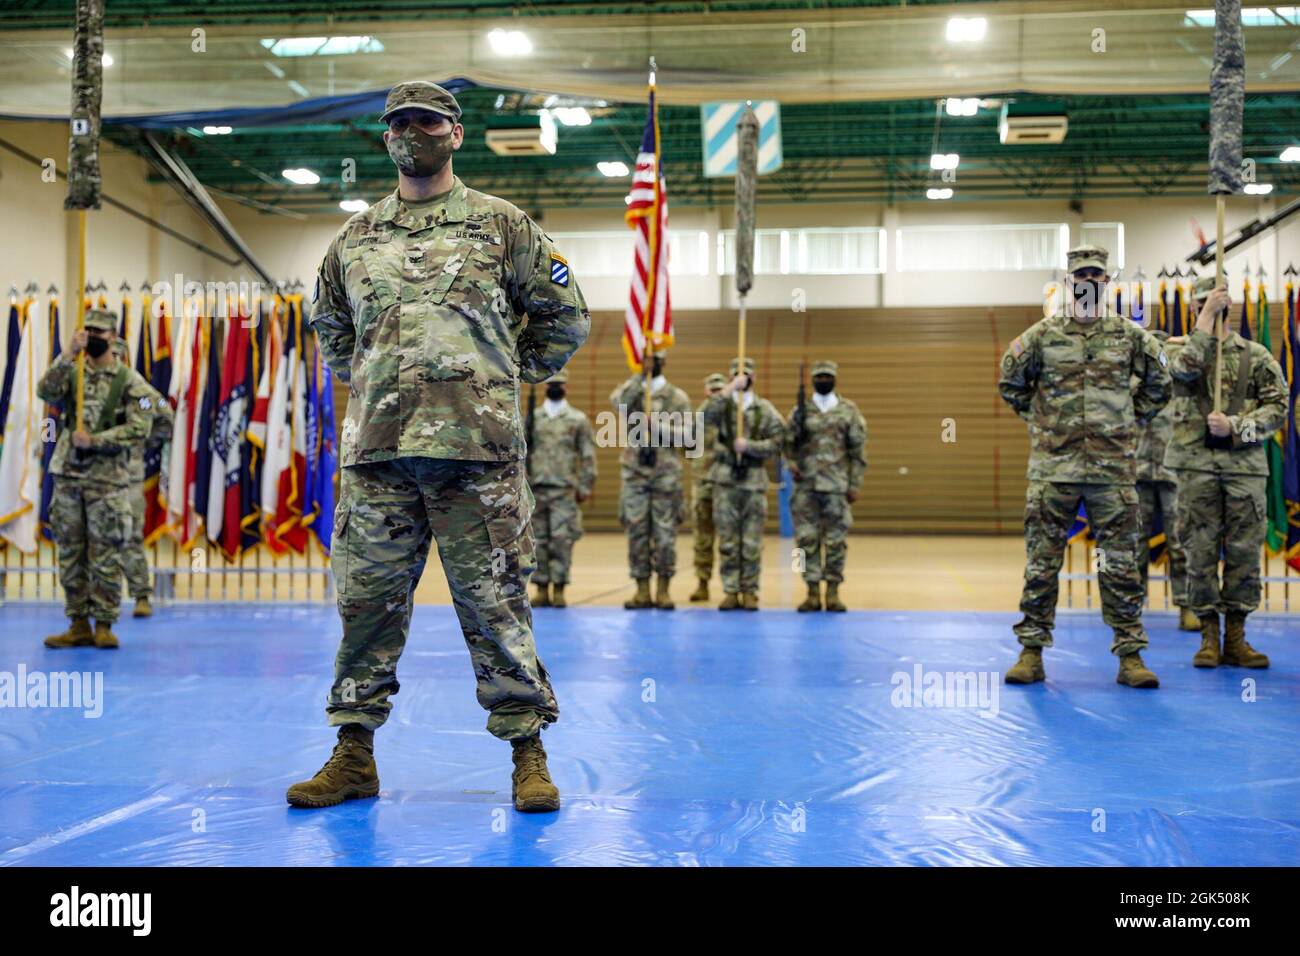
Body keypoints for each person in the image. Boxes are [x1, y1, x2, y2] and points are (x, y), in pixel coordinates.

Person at [290, 80, 590, 813]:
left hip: (477, 456)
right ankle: (354, 753)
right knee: (366, 607)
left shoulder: (503, 225)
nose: (409, 133)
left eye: (424, 121)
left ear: (454, 133)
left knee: (495, 605)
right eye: (397, 124)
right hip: (380, 457)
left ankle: (528, 752)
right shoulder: (354, 240)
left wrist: (498, 376)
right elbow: (331, 330)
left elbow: (566, 316)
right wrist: (377, 380)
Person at [998, 245, 1171, 688]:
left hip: (1112, 472)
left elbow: (1160, 383)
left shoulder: (1131, 338)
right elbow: (1010, 382)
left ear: (1107, 283)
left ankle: (1130, 656)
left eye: (1096, 276)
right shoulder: (1040, 336)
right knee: (1041, 562)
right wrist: (1042, 424)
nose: (1089, 282)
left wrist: (1129, 420)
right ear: (1068, 282)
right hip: (1053, 471)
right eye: (1081, 276)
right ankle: (1031, 652)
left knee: (1120, 564)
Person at [1166, 277, 1285, 669]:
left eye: (1216, 303)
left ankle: (1236, 635)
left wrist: (1236, 427)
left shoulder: (1256, 355)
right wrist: (1203, 323)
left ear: (1230, 306)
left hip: (1243, 470)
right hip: (1195, 466)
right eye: (1203, 303)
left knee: (1243, 554)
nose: (1212, 309)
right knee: (1198, 552)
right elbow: (1180, 372)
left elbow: (1277, 409)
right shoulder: (1179, 350)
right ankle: (1207, 635)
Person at [38, 308, 154, 649]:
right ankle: (77, 623)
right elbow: (45, 391)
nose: (92, 338)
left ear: (113, 337)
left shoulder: (130, 381)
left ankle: (104, 623)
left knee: (105, 553)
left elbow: (143, 424)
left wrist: (99, 441)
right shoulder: (72, 372)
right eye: (87, 332)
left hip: (107, 480)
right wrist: (67, 354)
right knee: (71, 553)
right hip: (70, 475)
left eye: (99, 333)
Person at [609, 353, 693, 609]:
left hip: (665, 477)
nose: (650, 363)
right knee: (637, 534)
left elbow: (689, 437)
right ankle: (642, 590)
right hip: (635, 475)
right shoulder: (633, 393)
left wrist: (657, 427)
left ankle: (663, 589)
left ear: (663, 362)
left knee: (665, 535)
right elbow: (617, 402)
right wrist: (638, 378)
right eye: (646, 359)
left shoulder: (677, 398)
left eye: (654, 359)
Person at [784, 360, 867, 612]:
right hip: (805, 486)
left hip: (836, 487)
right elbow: (786, 444)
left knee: (836, 541)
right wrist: (791, 464)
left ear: (834, 379)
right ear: (812, 380)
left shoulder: (848, 410)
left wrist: (854, 484)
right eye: (818, 377)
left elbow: (858, 452)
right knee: (805, 541)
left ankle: (832, 591)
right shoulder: (800, 412)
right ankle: (810, 591)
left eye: (827, 377)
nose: (822, 381)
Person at [703, 358, 786, 610]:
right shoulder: (723, 406)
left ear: (754, 377)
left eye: (746, 374)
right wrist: (728, 390)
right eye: (736, 374)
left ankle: (750, 590)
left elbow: (779, 441)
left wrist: (750, 447)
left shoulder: (764, 409)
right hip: (726, 481)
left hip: (753, 481)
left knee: (750, 541)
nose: (742, 378)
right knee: (727, 539)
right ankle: (730, 590)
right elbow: (702, 417)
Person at [1133, 328, 1194, 630]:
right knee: (1133, 543)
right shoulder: (1131, 367)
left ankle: (1188, 605)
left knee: (1181, 540)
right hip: (1136, 468)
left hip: (1173, 468)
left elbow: (1207, 351)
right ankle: (1131, 608)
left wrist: (1183, 342)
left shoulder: (1178, 367)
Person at [112, 338, 173, 618]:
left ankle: (141, 595)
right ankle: (98, 600)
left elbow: (165, 413)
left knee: (129, 535)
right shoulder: (89, 382)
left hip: (128, 474)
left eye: (115, 355)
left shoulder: (137, 386)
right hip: (92, 474)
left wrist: (144, 444)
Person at [526, 369, 596, 609]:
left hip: (564, 489)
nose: (556, 388)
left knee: (562, 540)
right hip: (536, 489)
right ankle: (542, 588)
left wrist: (586, 484)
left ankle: (559, 589)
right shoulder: (533, 418)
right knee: (538, 542)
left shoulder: (577, 419)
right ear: (545, 388)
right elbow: (522, 454)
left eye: (560, 384)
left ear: (567, 387)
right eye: (551, 384)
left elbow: (587, 455)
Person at [689, 372, 726, 602]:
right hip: (704, 484)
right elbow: (686, 447)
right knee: (703, 538)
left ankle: (734, 588)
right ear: (706, 392)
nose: (715, 395)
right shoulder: (698, 418)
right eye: (712, 391)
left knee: (731, 539)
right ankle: (702, 583)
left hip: (728, 485)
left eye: (719, 391)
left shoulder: (734, 418)